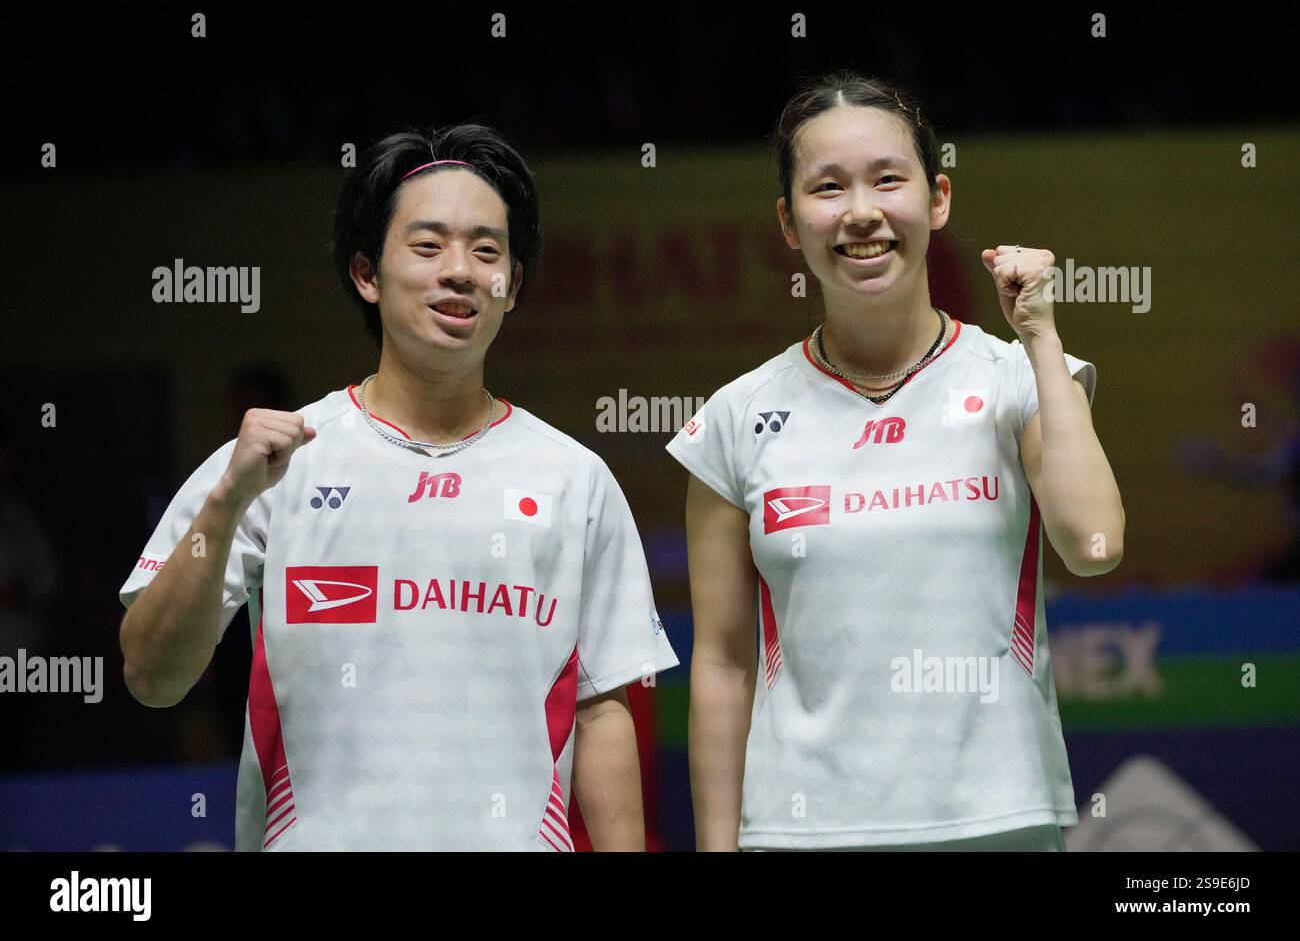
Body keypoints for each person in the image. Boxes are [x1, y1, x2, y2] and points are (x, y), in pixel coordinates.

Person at [118, 124, 679, 851]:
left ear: (513, 288)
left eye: (487, 250)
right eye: (427, 245)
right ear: (366, 274)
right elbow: (151, 676)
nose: (460, 271)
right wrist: (226, 503)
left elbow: (604, 707)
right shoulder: (273, 465)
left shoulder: (575, 479)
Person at [666, 72, 1125, 851]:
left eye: (888, 180)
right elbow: (721, 664)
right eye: (827, 188)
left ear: (937, 199)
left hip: (999, 820)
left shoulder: (1014, 378)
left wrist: (1041, 338)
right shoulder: (737, 419)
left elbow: (1094, 547)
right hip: (801, 829)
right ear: (788, 220)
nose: (862, 213)